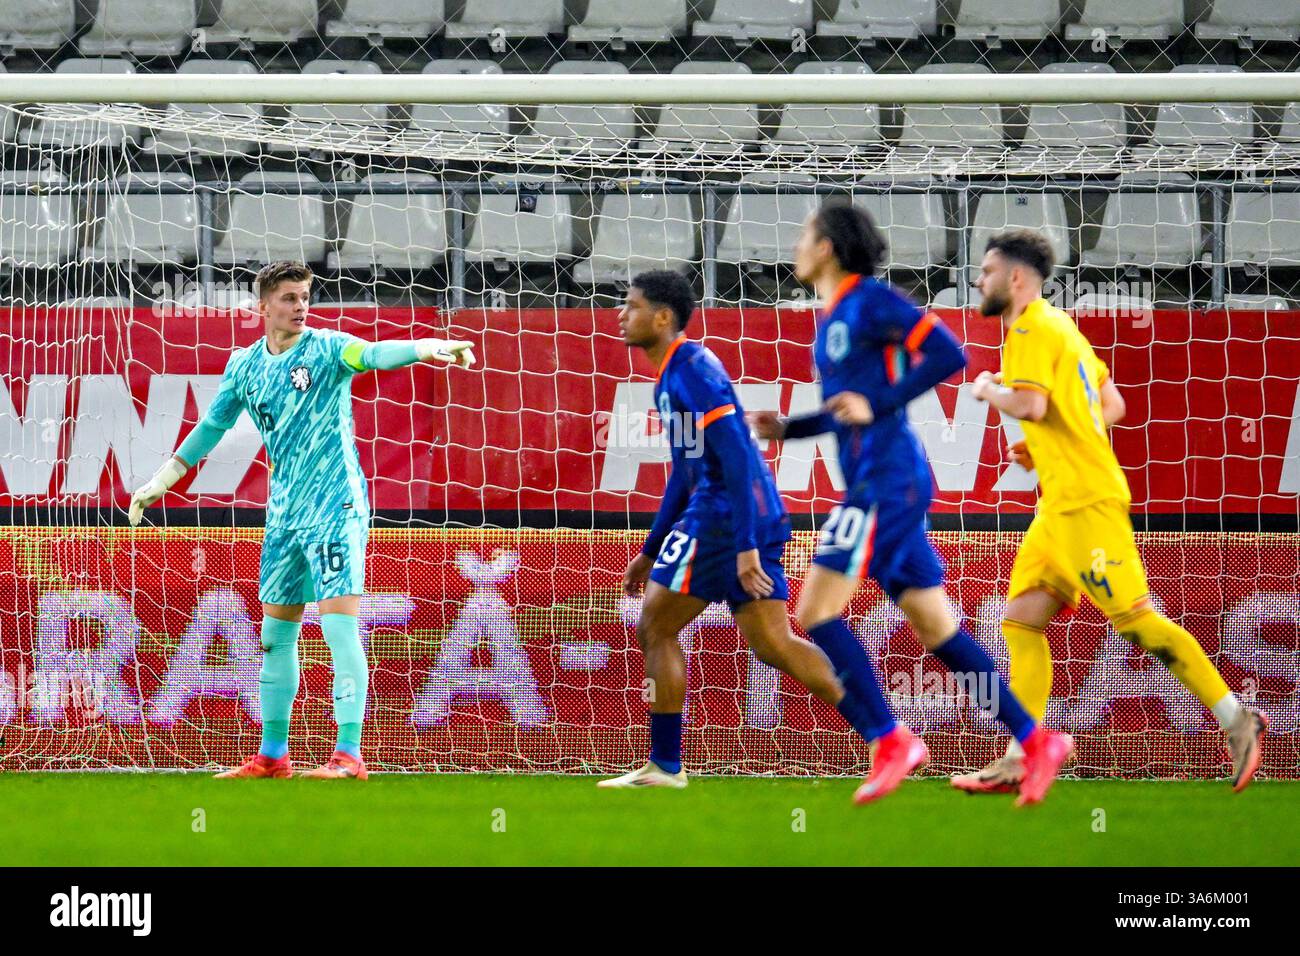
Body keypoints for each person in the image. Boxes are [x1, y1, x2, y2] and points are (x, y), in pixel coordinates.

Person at [751, 204, 1073, 805]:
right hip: (882, 481)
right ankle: (1035, 741)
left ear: (826, 248)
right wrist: (786, 430)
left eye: (804, 235)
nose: (796, 245)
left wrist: (883, 404)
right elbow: (852, 407)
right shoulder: (831, 320)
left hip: (885, 480)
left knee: (817, 611)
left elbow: (949, 354)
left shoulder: (869, 300)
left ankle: (888, 738)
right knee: (938, 629)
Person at [128, 261, 476, 780]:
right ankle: (272, 756)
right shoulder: (244, 366)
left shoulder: (328, 348)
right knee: (275, 635)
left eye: (305, 296)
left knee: (337, 626)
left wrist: (425, 347)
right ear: (263, 306)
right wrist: (163, 478)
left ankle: (348, 755)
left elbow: (373, 354)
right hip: (285, 513)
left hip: (335, 504)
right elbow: (211, 427)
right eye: (289, 298)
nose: (300, 306)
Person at [958, 228, 1267, 794]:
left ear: (1016, 278)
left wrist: (985, 390)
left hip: (1085, 502)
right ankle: (1023, 751)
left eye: (987, 271)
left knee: (1137, 624)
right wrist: (1053, 440)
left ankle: (1236, 720)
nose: (979, 280)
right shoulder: (1062, 326)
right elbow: (1111, 405)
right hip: (1059, 504)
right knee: (1021, 619)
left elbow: (1029, 402)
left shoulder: (1026, 326)